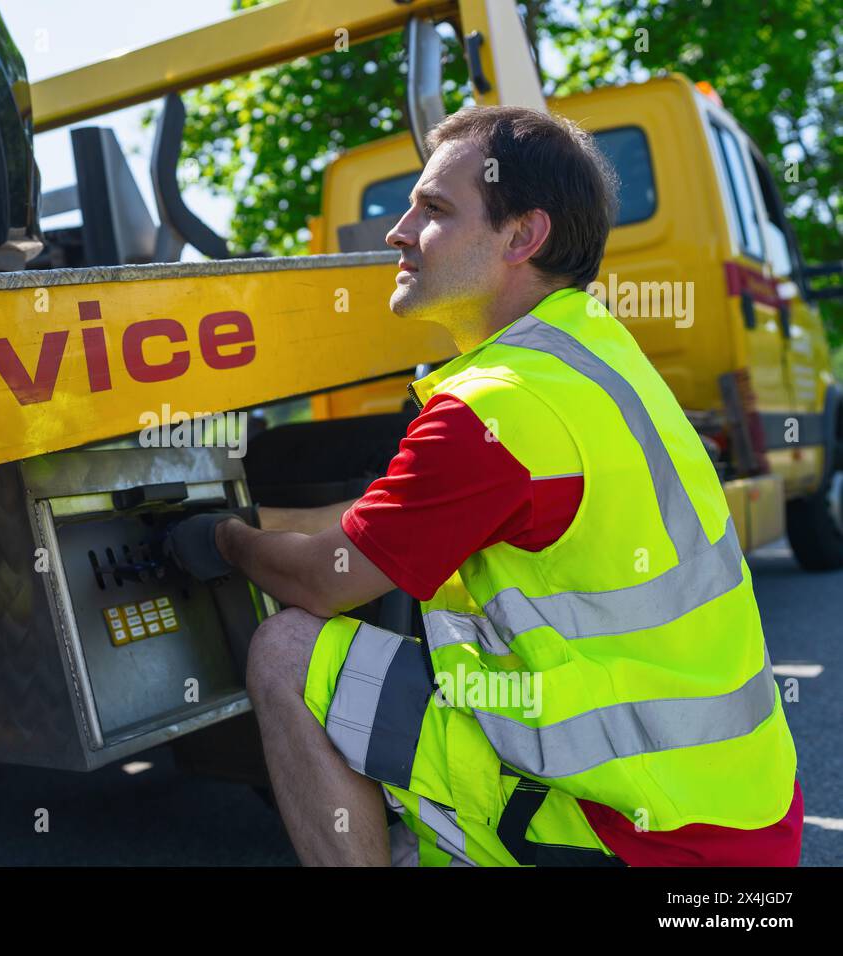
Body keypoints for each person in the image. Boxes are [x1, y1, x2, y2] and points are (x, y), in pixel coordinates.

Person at [165, 105, 802, 867]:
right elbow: (381, 523)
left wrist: (222, 537)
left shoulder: (494, 410)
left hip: (630, 837)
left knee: (286, 650)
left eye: (432, 209)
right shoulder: (593, 355)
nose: (398, 233)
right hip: (739, 818)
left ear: (522, 236)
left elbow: (321, 580)